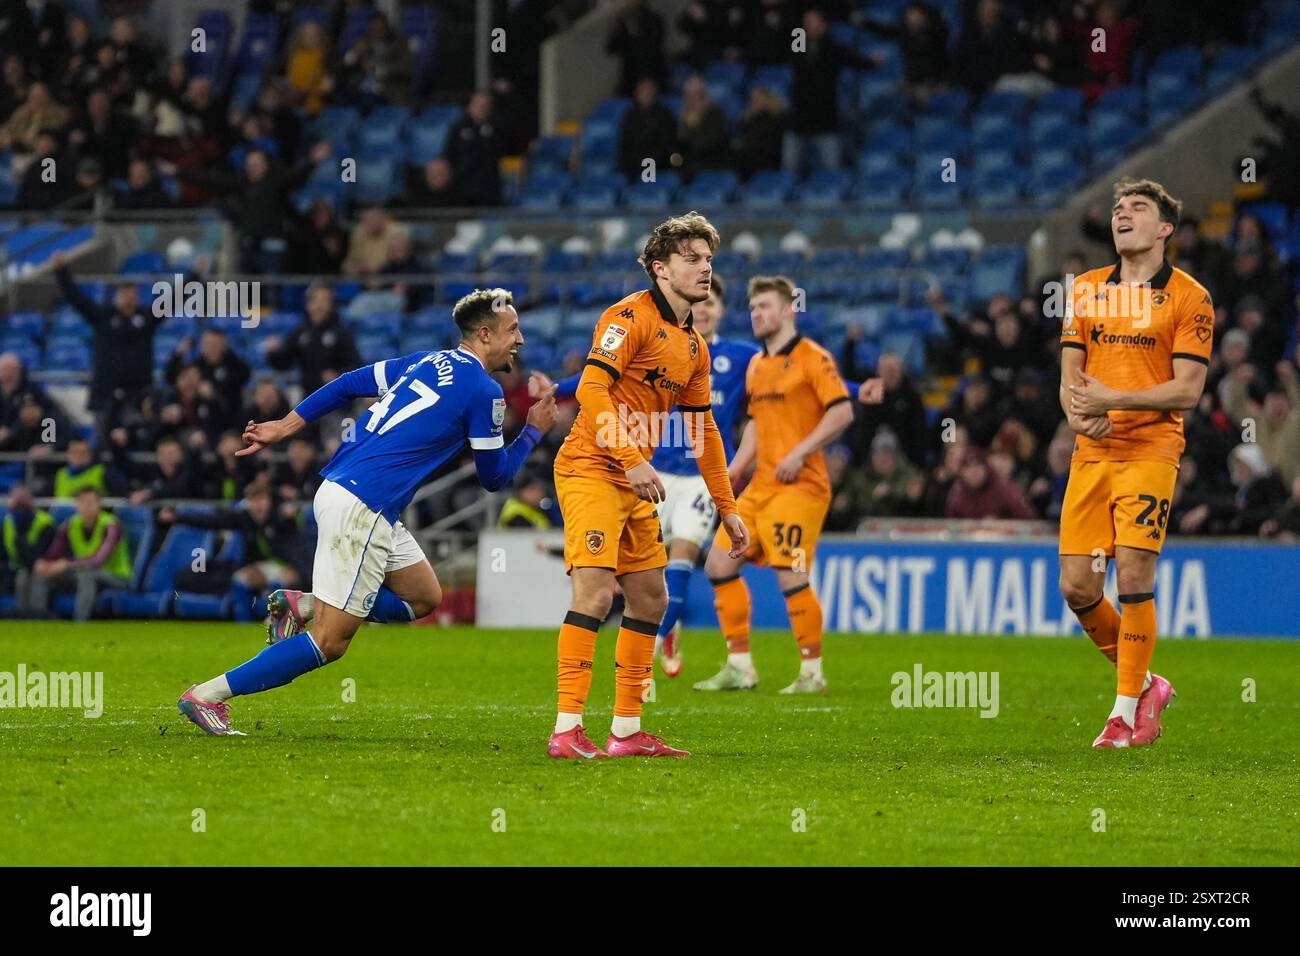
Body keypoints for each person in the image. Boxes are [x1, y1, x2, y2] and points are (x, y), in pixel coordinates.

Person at [175, 290, 559, 735]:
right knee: (330, 641)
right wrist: (532, 432)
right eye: (513, 330)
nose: (521, 339)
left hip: (347, 491)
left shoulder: (423, 362)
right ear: (485, 333)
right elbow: (494, 478)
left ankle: (308, 602)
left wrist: (286, 424)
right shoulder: (485, 391)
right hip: (365, 507)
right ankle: (207, 695)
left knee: (424, 597)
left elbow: (345, 385)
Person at [544, 212, 747, 759]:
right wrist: (632, 459)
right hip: (591, 468)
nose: (705, 269)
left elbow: (704, 432)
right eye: (692, 259)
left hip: (635, 485)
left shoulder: (694, 348)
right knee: (593, 591)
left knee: (652, 598)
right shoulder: (626, 317)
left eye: (708, 259)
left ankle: (626, 732)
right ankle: (566, 729)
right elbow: (590, 390)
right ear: (660, 267)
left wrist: (727, 510)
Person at [1059, 178, 1214, 749]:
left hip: (1150, 451)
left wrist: (1112, 400)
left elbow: (1187, 391)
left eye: (1138, 208)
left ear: (1164, 229)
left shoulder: (1189, 297)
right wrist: (1078, 416)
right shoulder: (1086, 290)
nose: (1122, 215)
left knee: (1132, 574)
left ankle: (1124, 715)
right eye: (1119, 208)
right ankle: (1148, 683)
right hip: (1093, 452)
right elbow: (1069, 379)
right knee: (1077, 586)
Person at [698, 275, 855, 694]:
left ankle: (812, 672)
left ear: (789, 310)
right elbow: (755, 425)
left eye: (765, 306)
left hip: (802, 487)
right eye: (752, 308)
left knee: (791, 573)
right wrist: (736, 468)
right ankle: (739, 666)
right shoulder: (756, 366)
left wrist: (800, 452)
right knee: (718, 563)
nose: (757, 314)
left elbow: (841, 413)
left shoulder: (812, 358)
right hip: (761, 487)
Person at [29, 487, 133, 621]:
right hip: (80, 571)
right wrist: (44, 562)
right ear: (76, 505)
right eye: (82, 502)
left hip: (115, 576)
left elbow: (98, 560)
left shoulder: (111, 525)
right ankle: (38, 619)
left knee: (87, 575)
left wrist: (66, 564)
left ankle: (80, 622)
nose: (86, 506)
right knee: (43, 574)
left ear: (99, 504)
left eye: (91, 502)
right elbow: (56, 551)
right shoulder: (71, 524)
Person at [3, 486, 56, 612]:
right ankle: (20, 615)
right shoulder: (8, 522)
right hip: (14, 566)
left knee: (30, 576)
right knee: (21, 575)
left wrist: (20, 535)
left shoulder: (45, 523)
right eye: (16, 506)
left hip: (42, 566)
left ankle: (36, 614)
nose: (19, 511)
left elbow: (39, 555)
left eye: (23, 506)